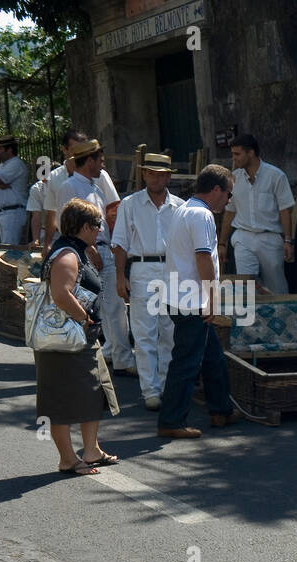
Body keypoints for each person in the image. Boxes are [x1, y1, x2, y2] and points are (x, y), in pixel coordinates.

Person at [35, 198, 120, 476]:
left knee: (93, 392)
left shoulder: (75, 250)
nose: (100, 230)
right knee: (60, 398)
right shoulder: (68, 255)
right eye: (97, 225)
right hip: (66, 339)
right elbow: (61, 294)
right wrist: (84, 317)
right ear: (84, 226)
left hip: (80, 337)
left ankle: (91, 449)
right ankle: (68, 459)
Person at [156, 164, 242, 439]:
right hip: (191, 300)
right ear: (216, 189)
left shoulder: (184, 210)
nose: (229, 201)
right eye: (228, 195)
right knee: (187, 361)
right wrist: (211, 299)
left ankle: (221, 410)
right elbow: (203, 258)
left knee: (211, 356)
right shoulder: (200, 215)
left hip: (180, 297)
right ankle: (171, 421)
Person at [111, 152, 184, 412]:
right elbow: (119, 243)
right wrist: (121, 276)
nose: (155, 177)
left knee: (170, 333)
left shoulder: (180, 206)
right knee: (144, 334)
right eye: (150, 173)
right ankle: (150, 390)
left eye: (160, 173)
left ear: (168, 176)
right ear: (143, 174)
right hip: (142, 267)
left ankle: (165, 386)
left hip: (172, 269)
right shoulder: (129, 204)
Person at [60, 137, 133, 376]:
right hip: (90, 251)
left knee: (112, 306)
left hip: (102, 248)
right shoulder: (70, 187)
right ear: (89, 160)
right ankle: (122, 356)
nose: (102, 163)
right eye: (99, 159)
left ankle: (114, 351)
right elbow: (69, 224)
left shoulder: (94, 186)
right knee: (110, 306)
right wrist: (89, 250)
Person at [218, 134, 294, 293]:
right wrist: (222, 243)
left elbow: (285, 210)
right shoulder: (234, 179)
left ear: (251, 153)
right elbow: (230, 212)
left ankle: (279, 316)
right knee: (245, 287)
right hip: (243, 238)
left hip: (270, 238)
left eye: (237, 154)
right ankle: (250, 318)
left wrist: (288, 240)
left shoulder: (276, 176)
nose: (234, 159)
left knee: (276, 288)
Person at [0, 134, 30, 245]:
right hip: (2, 213)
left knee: (9, 252)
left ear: (9, 149)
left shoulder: (16, 163)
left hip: (12, 213)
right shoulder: (2, 166)